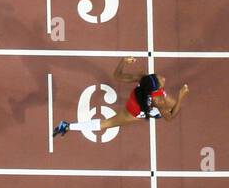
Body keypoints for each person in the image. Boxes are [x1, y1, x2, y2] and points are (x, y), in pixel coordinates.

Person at [53, 57, 190, 138]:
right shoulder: (160, 101)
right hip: (135, 111)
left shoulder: (144, 79)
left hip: (136, 98)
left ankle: (67, 126)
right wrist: (181, 96)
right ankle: (67, 126)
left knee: (166, 106)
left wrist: (123, 61)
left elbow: (117, 76)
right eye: (160, 79)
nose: (163, 77)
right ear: (157, 88)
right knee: (106, 124)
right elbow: (170, 117)